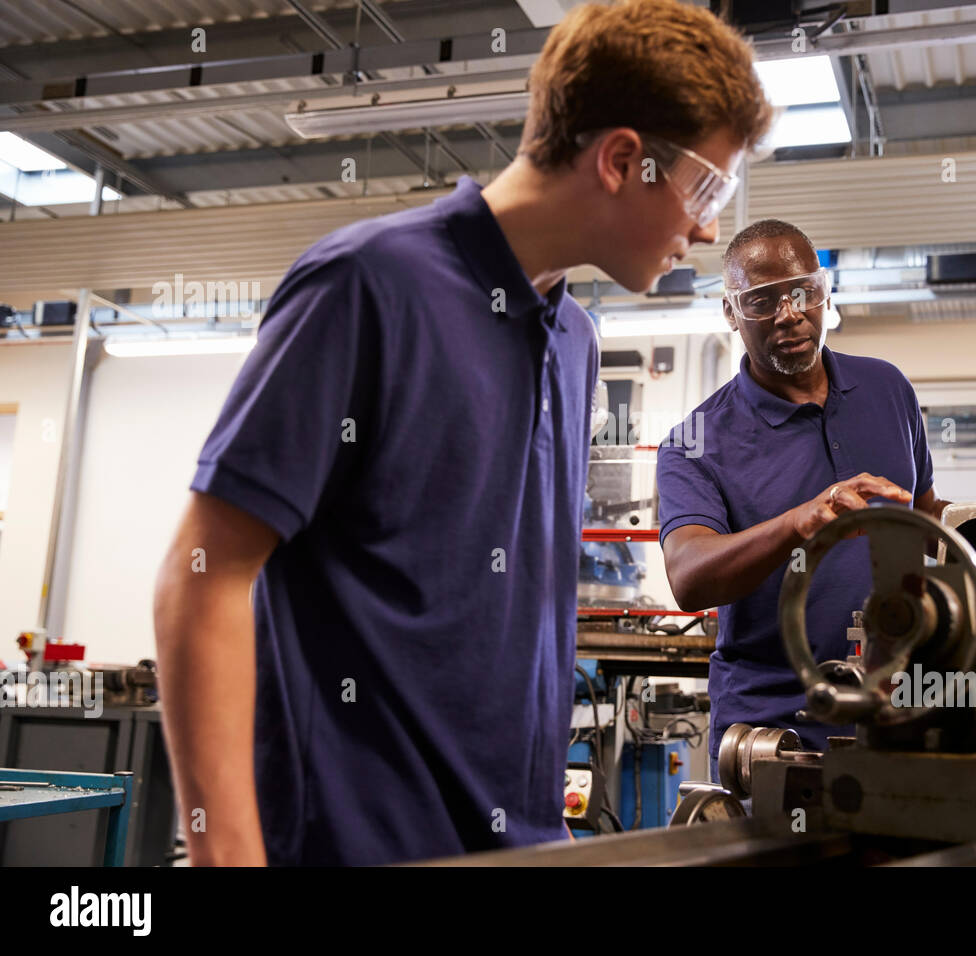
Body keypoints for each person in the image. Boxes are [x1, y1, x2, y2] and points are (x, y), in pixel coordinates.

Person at [152, 0, 771, 865]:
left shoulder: (574, 340)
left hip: (517, 840)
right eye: (705, 188)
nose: (707, 228)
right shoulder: (366, 285)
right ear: (622, 160)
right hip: (353, 842)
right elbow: (202, 573)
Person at [656, 219, 949, 781]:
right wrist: (800, 521)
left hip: (900, 709)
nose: (789, 314)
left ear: (824, 292)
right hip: (775, 730)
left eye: (802, 293)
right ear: (730, 312)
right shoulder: (695, 443)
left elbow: (925, 514)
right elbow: (690, 577)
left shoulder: (888, 389)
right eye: (762, 300)